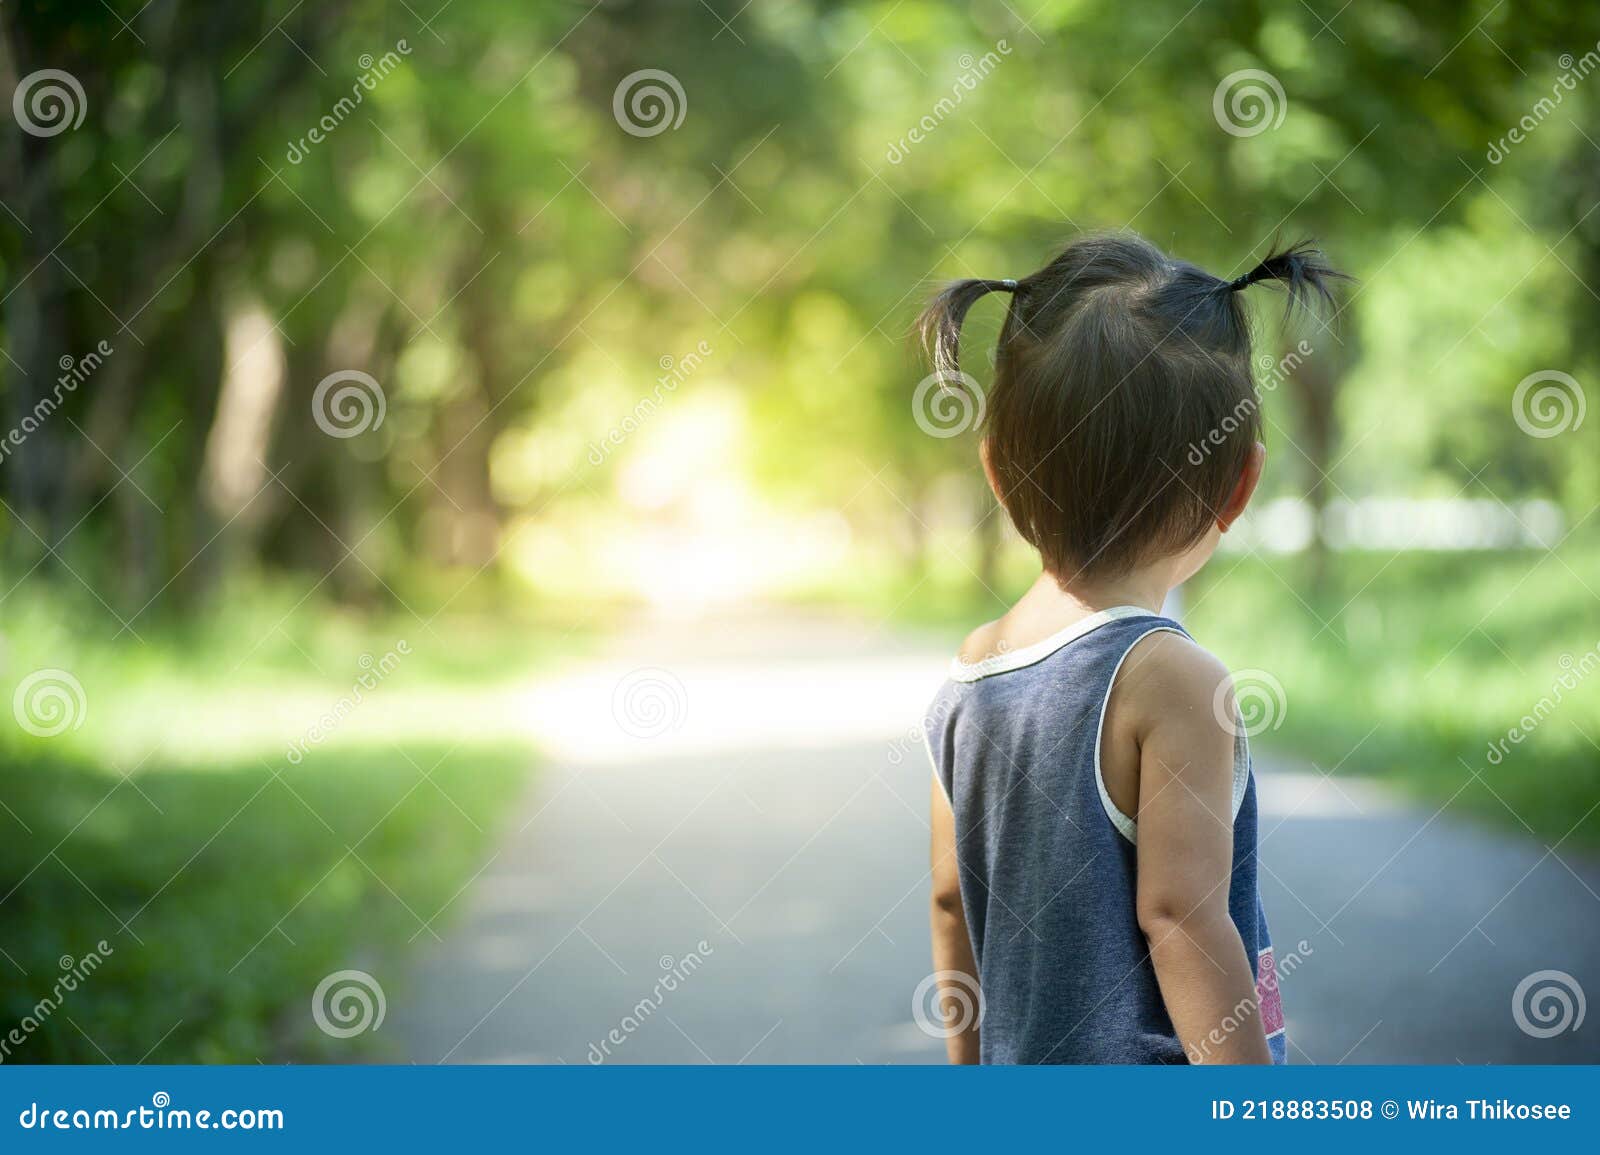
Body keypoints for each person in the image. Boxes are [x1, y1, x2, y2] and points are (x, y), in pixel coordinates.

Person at [920, 232, 1346, 1063]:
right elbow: (1182, 914)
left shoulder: (971, 670)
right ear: (1240, 485)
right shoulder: (1171, 678)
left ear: (999, 475)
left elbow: (948, 901)